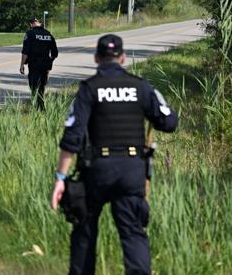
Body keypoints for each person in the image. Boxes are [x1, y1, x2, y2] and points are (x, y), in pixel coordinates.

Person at [50, 34, 178, 275]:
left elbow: (72, 136)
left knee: (84, 230)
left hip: (97, 170)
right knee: (133, 232)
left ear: (96, 58)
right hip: (132, 170)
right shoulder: (141, 86)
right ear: (123, 58)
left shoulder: (88, 89)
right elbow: (169, 121)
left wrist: (61, 178)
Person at [19, 16, 58, 110]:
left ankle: (37, 108)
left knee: (34, 86)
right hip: (45, 65)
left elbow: (25, 52)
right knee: (41, 87)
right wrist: (49, 62)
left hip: (34, 64)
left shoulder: (30, 34)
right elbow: (55, 53)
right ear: (40, 23)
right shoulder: (48, 34)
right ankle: (41, 107)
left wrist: (22, 65)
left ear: (31, 24)